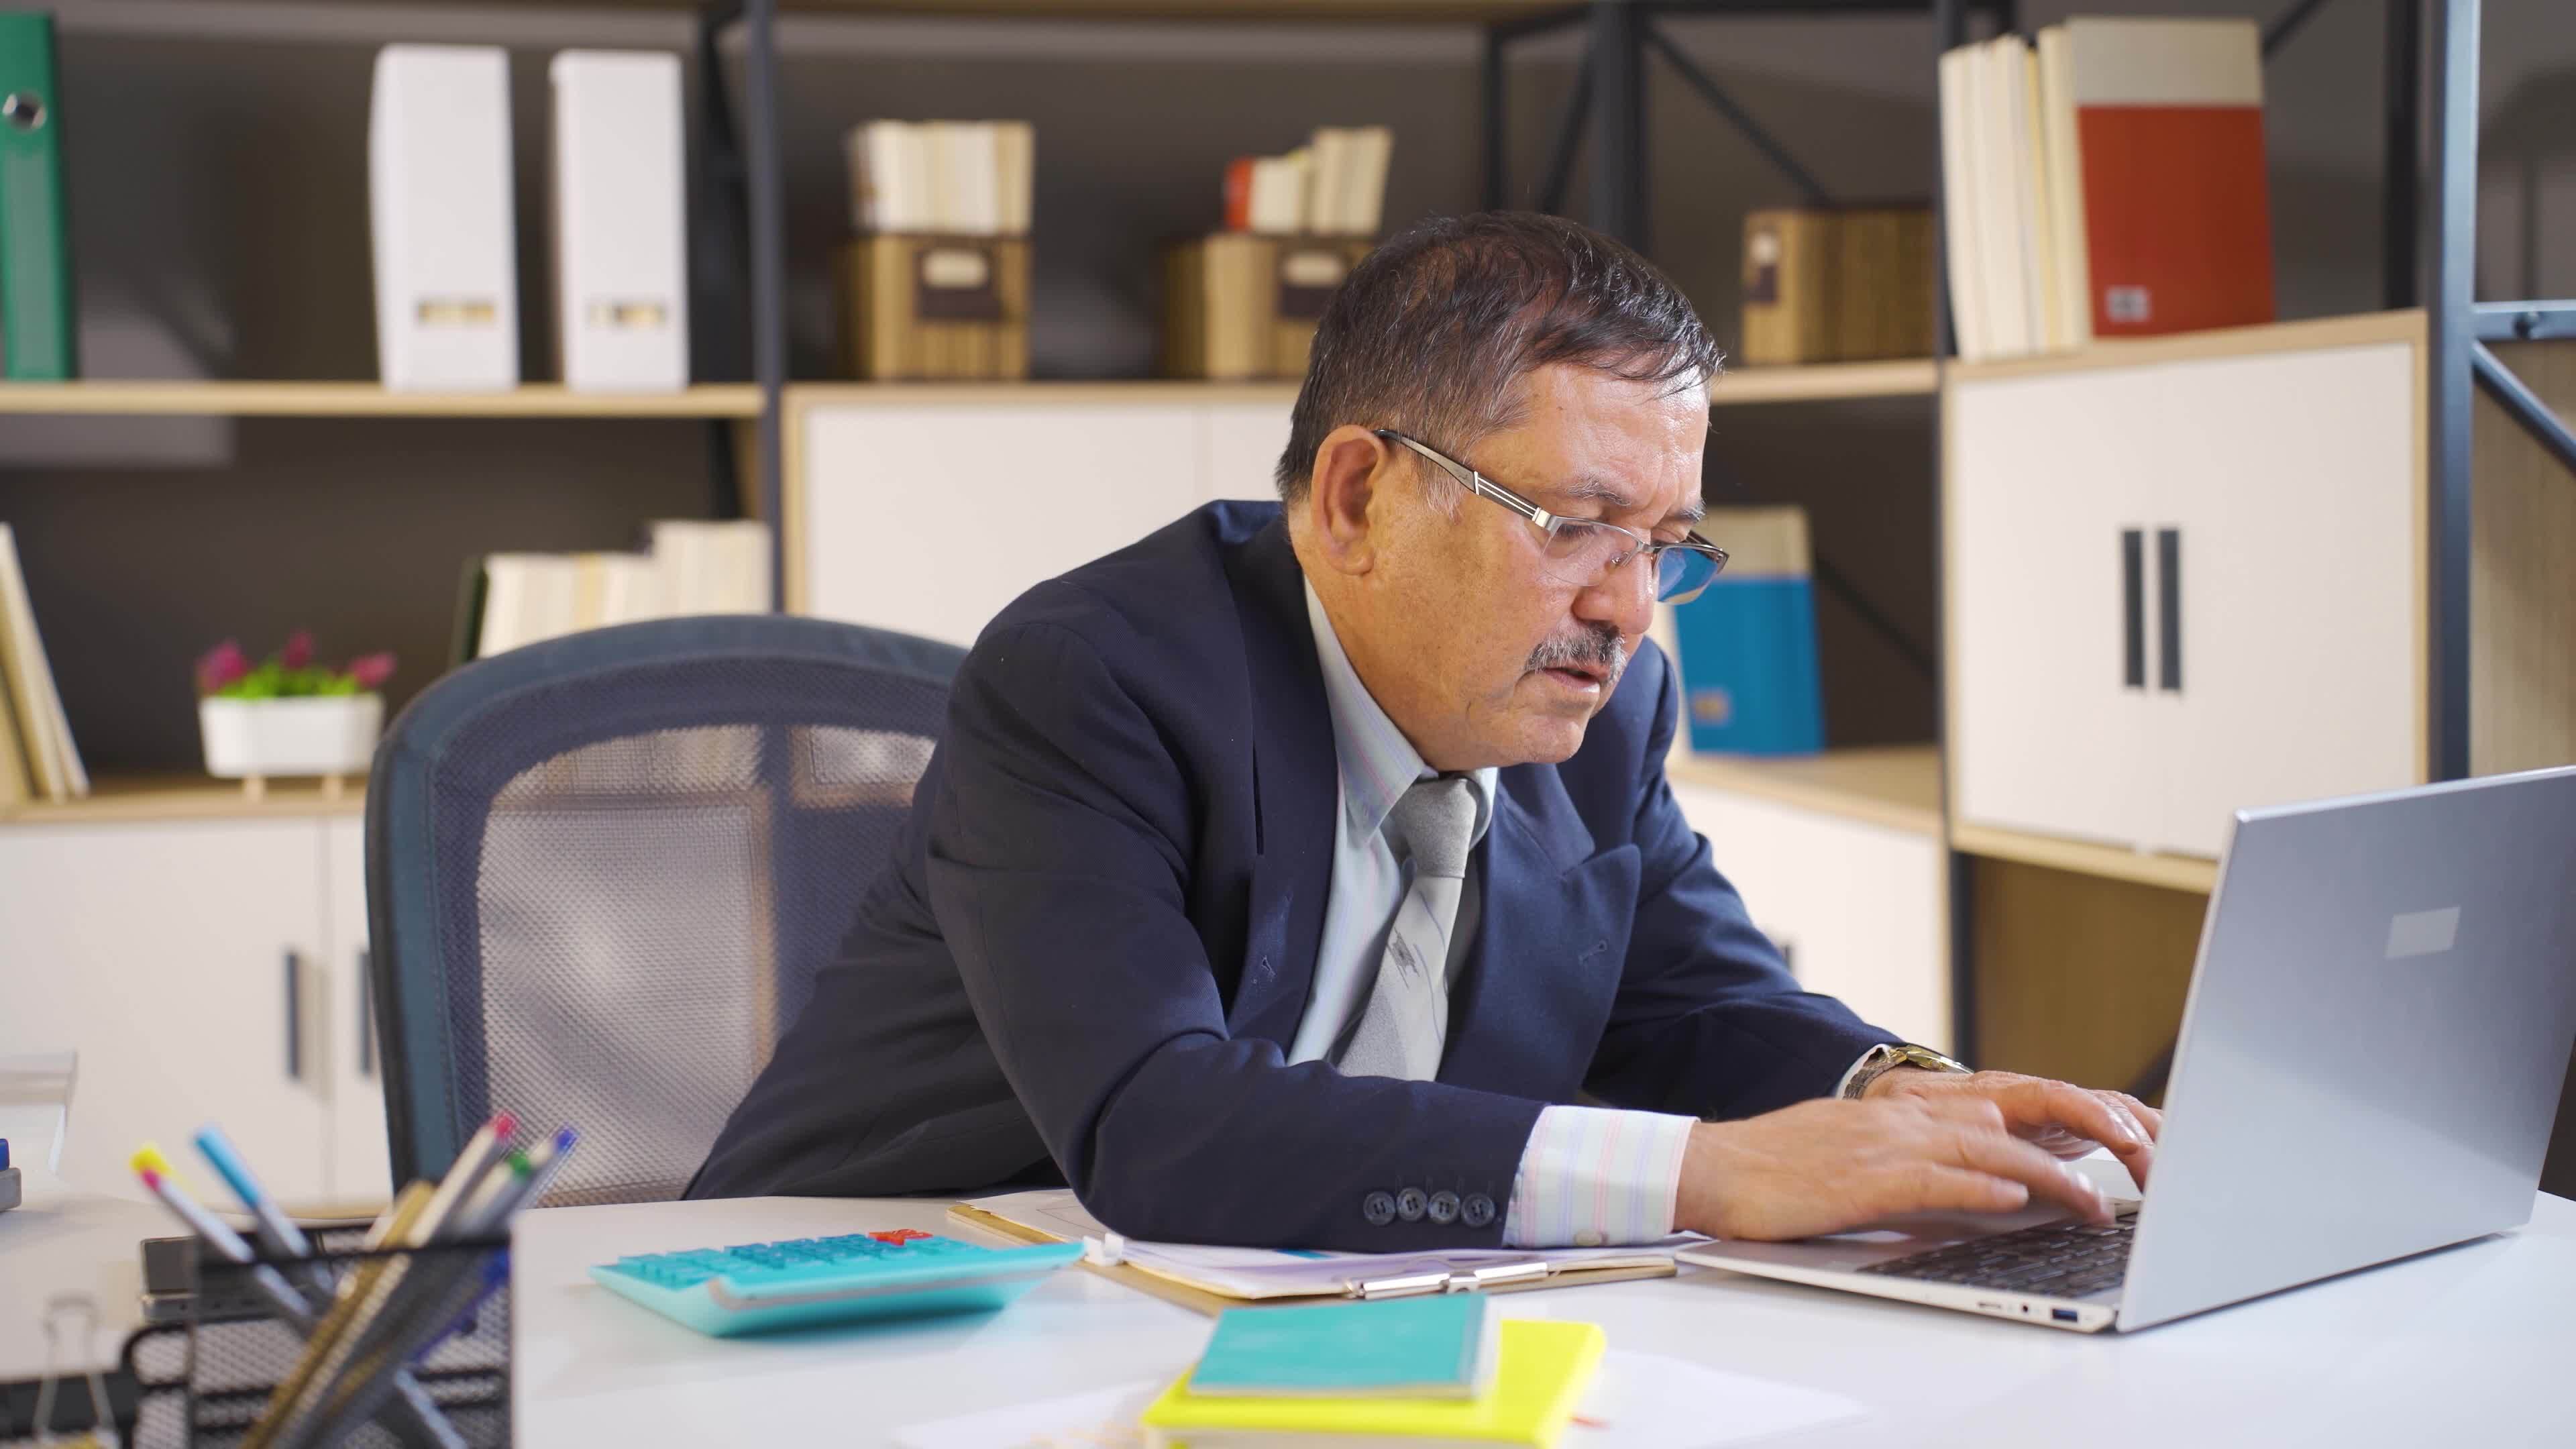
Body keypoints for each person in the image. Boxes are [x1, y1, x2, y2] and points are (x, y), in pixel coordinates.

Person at [690, 211, 2160, 1250]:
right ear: (1357, 499)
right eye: (1575, 525)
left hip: (1292, 1314)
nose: (1630, 610)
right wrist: (1705, 1177)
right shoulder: (1097, 678)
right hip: (888, 1302)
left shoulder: (1605, 714)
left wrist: (1911, 1101)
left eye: (1666, 545)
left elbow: (1691, 1004)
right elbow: (1156, 1124)